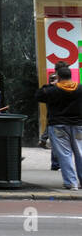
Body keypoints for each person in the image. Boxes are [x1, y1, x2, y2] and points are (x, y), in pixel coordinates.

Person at [35, 63, 82, 191]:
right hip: (78, 125)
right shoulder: (80, 89)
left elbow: (38, 95)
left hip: (58, 125)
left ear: (58, 77)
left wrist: (50, 84)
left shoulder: (53, 90)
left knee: (65, 154)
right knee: (80, 153)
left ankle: (71, 183)